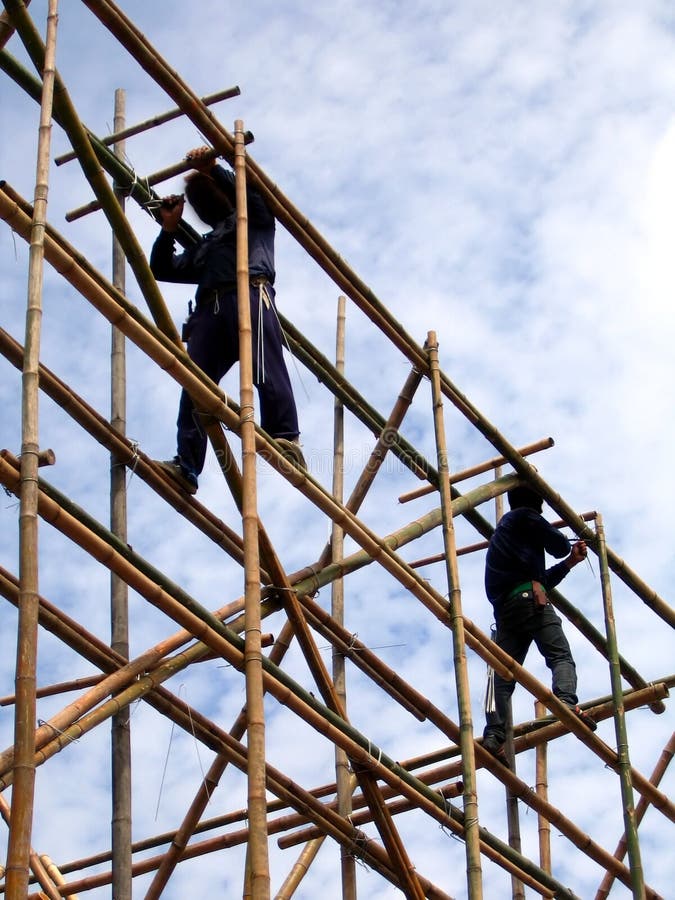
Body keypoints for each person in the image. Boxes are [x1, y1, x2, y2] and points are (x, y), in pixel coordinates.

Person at [149, 145, 304, 494]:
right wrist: (168, 229)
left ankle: (285, 438)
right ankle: (187, 464)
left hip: (250, 293)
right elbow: (163, 268)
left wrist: (214, 168)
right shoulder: (209, 243)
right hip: (211, 310)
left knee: (266, 367)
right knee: (195, 387)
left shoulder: (257, 218)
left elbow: (249, 190)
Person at [482, 484, 596, 767]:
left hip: (508, 612)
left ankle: (494, 734)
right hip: (529, 601)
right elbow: (558, 545)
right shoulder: (524, 516)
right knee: (560, 656)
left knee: (502, 677)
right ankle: (565, 703)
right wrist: (566, 546)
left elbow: (540, 579)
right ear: (538, 504)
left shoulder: (507, 535)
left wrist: (570, 562)